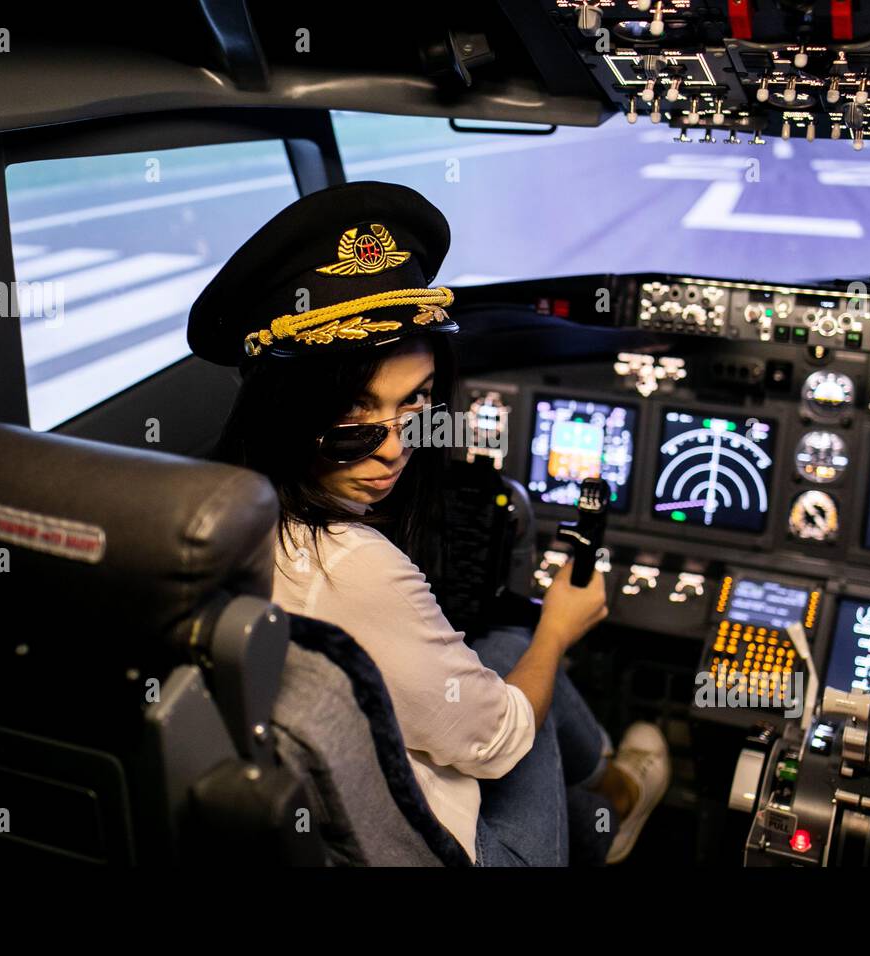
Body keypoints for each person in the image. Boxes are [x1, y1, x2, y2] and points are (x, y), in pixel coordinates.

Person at [187, 180, 670, 866]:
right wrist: (559, 627)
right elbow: (499, 743)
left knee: (503, 650)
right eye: (355, 419)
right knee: (518, 644)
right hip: (455, 851)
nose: (393, 449)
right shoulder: (351, 566)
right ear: (283, 410)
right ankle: (617, 797)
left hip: (345, 831)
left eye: (414, 404)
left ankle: (604, 796)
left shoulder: (202, 512)